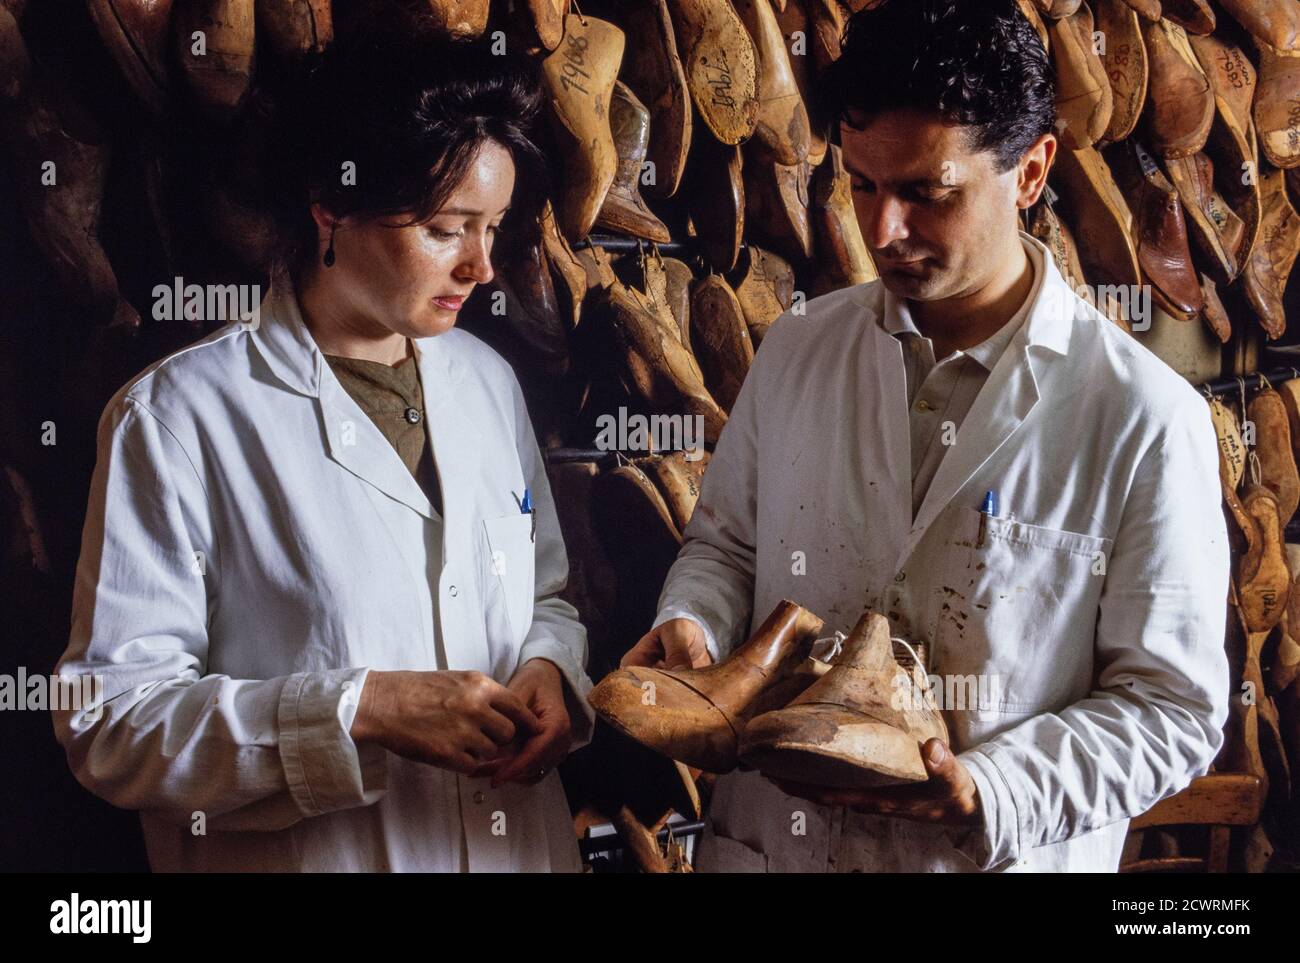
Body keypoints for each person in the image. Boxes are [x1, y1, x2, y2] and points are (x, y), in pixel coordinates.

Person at [623, 0, 1229, 872]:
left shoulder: (1144, 418)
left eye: (926, 192)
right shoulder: (798, 349)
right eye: (862, 185)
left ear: (1030, 173)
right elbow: (724, 547)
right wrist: (695, 626)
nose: (881, 232)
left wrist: (994, 787)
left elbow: (1173, 710)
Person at [51, 12, 592, 872]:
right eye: (447, 228)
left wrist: (553, 675)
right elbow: (110, 722)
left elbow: (548, 601)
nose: (481, 268)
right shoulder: (178, 419)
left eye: (493, 227)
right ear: (332, 207)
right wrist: (358, 709)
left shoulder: (487, 383)